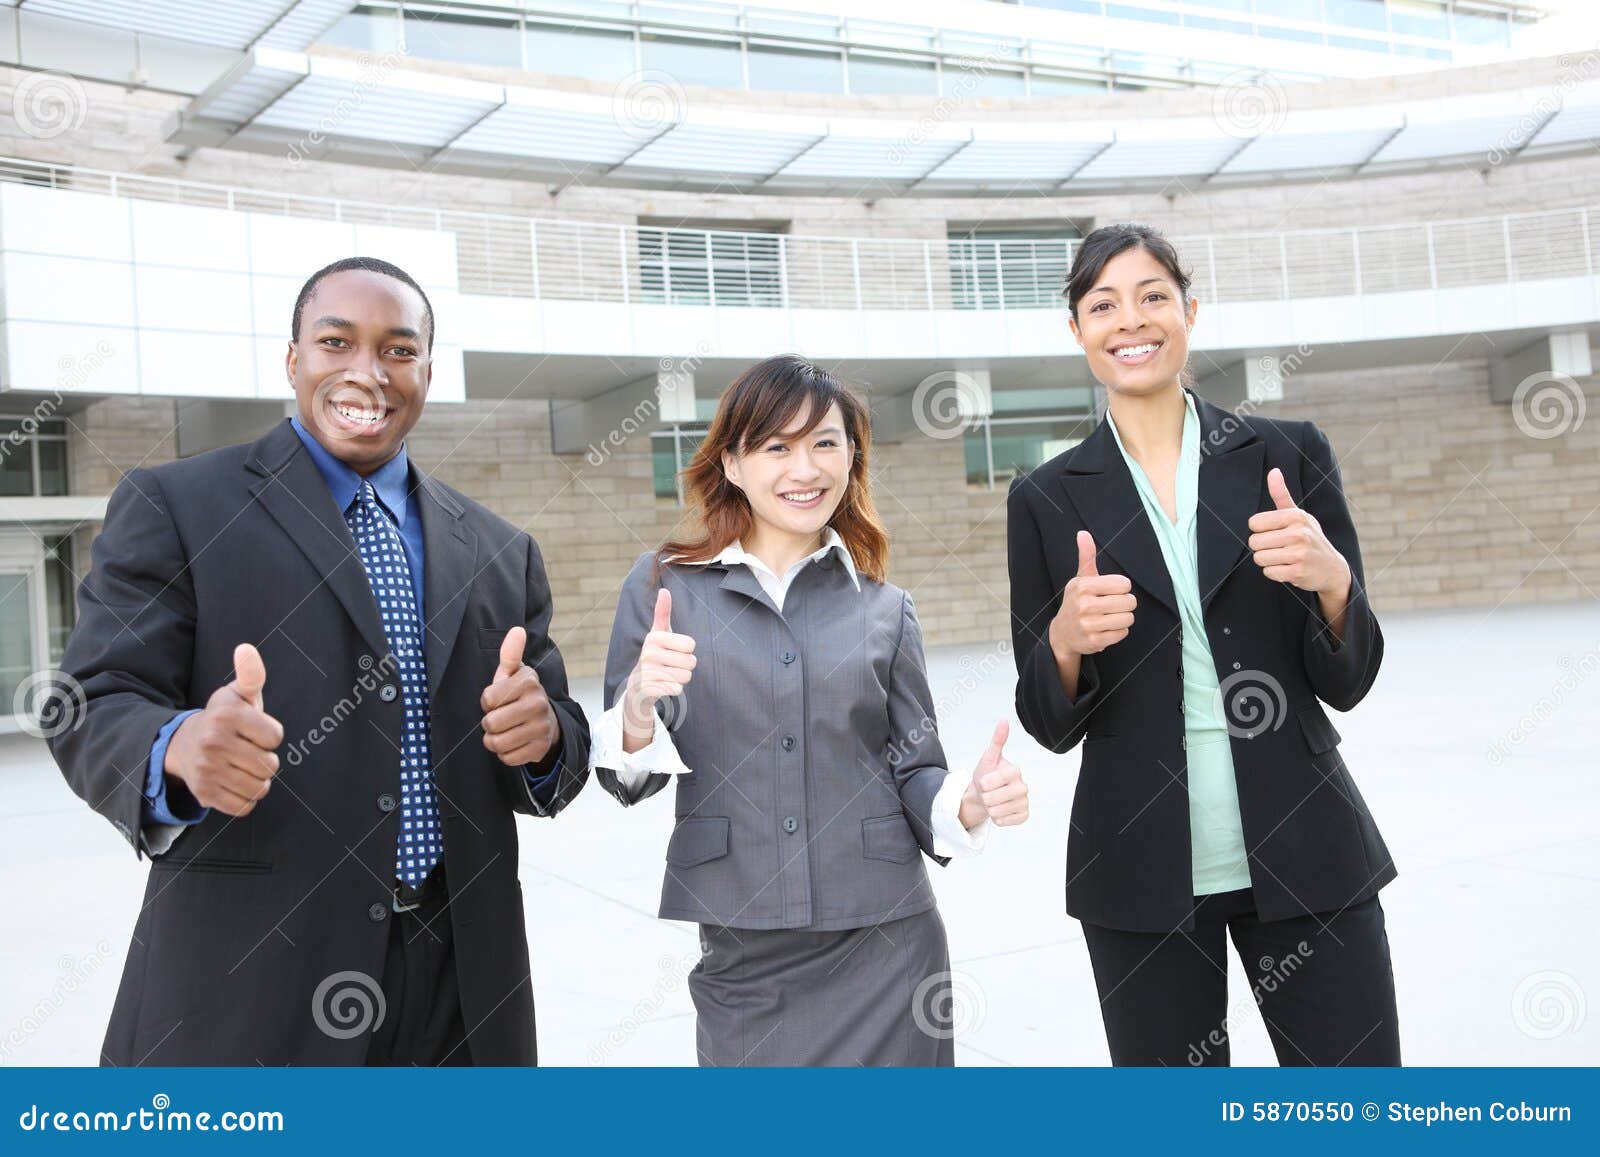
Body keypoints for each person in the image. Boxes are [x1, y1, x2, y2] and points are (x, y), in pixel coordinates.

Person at [48, 256, 590, 1066]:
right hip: (256, 984)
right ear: (293, 359)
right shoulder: (179, 505)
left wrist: (545, 739)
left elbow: (558, 743)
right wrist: (178, 747)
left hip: (462, 989)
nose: (368, 371)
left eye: (399, 350)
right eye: (337, 342)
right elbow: (91, 699)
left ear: (428, 372)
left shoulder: (500, 549)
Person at [1007, 224, 1400, 1066]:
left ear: (1189, 311)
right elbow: (1046, 718)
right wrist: (1065, 642)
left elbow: (1350, 677)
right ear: (1076, 330)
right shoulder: (1043, 497)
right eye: (1102, 305)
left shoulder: (1287, 454)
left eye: (1153, 296)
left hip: (1310, 849)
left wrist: (1334, 582)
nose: (1130, 320)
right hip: (1138, 872)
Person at [592, 354, 1029, 1066]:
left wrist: (970, 802)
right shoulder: (664, 589)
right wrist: (638, 706)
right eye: (777, 446)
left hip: (888, 941)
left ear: (851, 457)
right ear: (732, 463)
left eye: (825, 443)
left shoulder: (885, 608)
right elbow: (625, 781)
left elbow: (914, 769)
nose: (806, 468)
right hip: (743, 945)